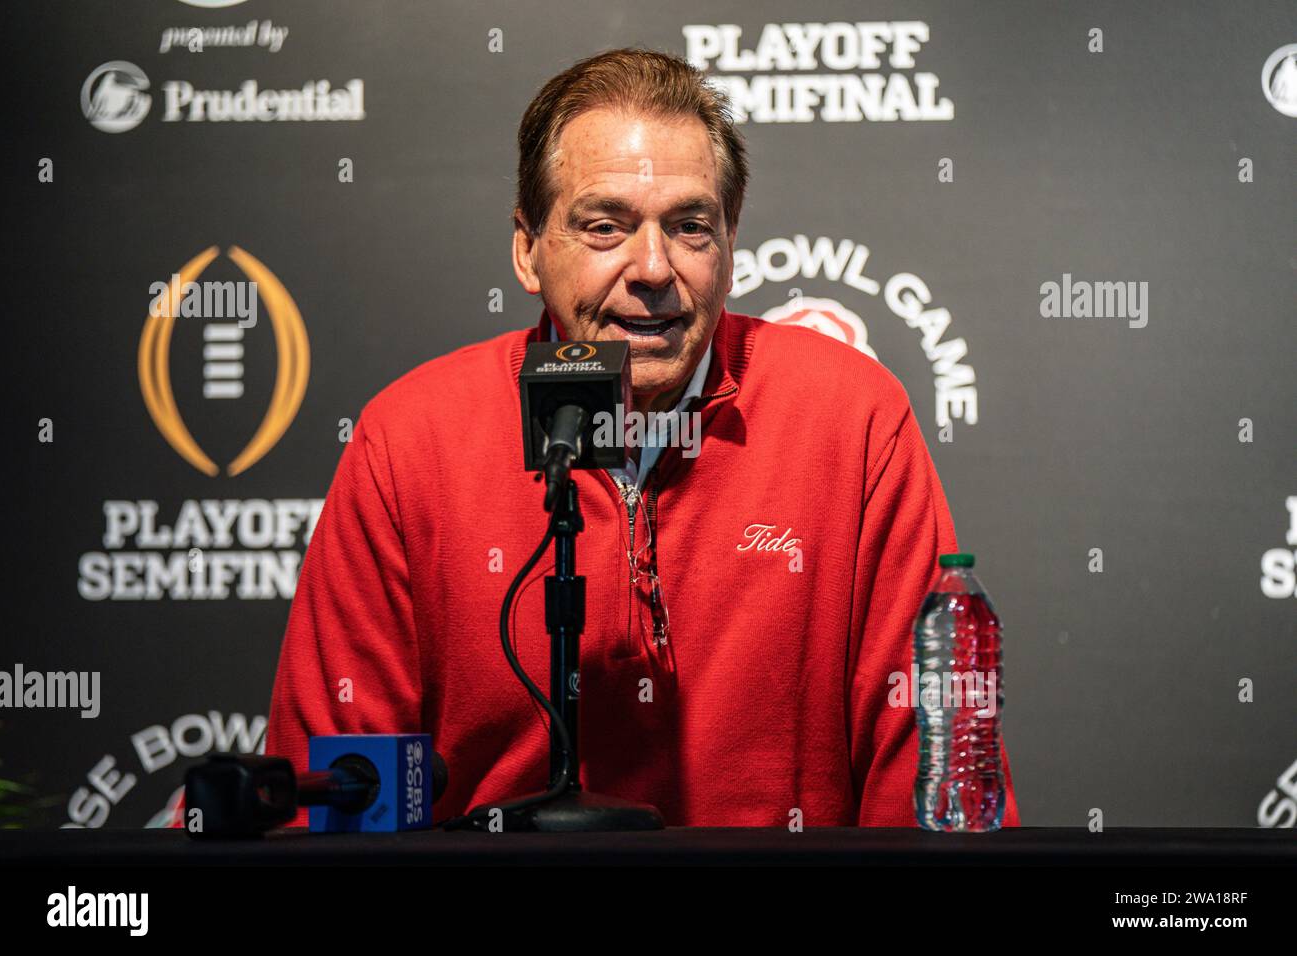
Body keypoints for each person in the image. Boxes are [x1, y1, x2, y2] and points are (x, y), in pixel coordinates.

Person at [261, 47, 1021, 827]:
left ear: (730, 245)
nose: (653, 267)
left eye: (691, 227)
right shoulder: (410, 440)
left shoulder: (852, 419)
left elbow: (930, 785)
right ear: (527, 248)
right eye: (604, 226)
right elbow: (334, 799)